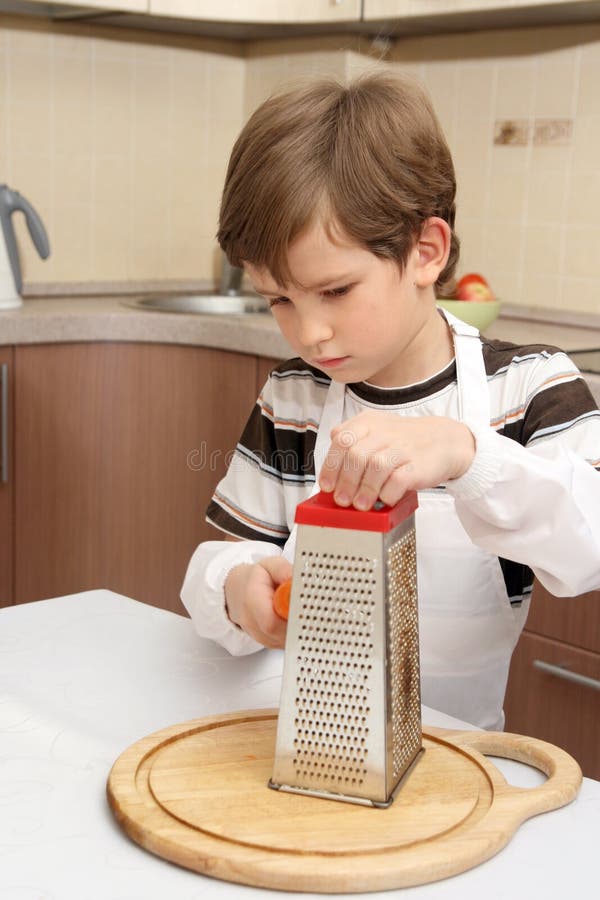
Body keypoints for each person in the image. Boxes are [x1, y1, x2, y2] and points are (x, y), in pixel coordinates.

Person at [181, 71, 600, 731]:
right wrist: (234, 590)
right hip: (307, 738)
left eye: (336, 291)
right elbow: (223, 558)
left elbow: (589, 545)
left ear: (425, 251)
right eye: (279, 298)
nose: (308, 333)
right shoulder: (294, 395)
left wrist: (468, 454)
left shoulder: (526, 388)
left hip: (461, 765)